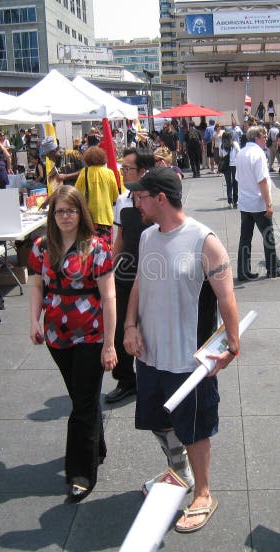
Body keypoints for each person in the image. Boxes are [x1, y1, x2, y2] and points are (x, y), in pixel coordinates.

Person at [122, 167, 240, 533]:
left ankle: (203, 492)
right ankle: (180, 470)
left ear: (161, 198)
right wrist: (129, 326)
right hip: (150, 354)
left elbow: (226, 296)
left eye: (140, 196)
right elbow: (140, 283)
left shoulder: (203, 241)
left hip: (189, 359)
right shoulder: (146, 237)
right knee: (158, 421)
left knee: (195, 429)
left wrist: (232, 344)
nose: (134, 202)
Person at [28, 185, 116, 502]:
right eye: (59, 211)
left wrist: (110, 344)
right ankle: (97, 447)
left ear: (82, 212)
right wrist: (33, 321)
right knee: (83, 396)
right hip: (56, 335)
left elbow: (109, 297)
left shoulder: (98, 248)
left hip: (91, 334)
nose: (65, 216)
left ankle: (80, 472)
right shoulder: (41, 247)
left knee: (81, 405)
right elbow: (37, 287)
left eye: (71, 210)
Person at [105, 148, 156, 405]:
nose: (122, 172)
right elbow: (120, 238)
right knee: (121, 327)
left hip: (153, 273)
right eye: (122, 168)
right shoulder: (122, 201)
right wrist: (110, 269)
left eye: (127, 168)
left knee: (152, 327)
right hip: (125, 274)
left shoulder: (156, 198)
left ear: (142, 171)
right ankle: (126, 380)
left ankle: (153, 378)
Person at [236, 125, 280, 280]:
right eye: (264, 137)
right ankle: (273, 269)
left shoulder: (241, 153)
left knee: (245, 237)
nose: (266, 140)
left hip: (245, 202)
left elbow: (238, 178)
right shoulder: (258, 154)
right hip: (257, 202)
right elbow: (262, 180)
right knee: (268, 236)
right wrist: (269, 203)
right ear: (256, 138)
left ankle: (243, 271)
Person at [74, 146, 120, 246]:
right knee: (105, 248)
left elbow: (76, 193)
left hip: (88, 218)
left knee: (88, 249)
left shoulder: (84, 172)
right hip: (106, 218)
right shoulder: (110, 173)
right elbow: (115, 197)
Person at [219, 131, 239, 208]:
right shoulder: (235, 144)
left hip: (226, 166)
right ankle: (235, 201)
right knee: (235, 182)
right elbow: (239, 154)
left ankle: (230, 202)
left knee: (228, 183)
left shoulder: (222, 145)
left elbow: (220, 156)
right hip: (234, 165)